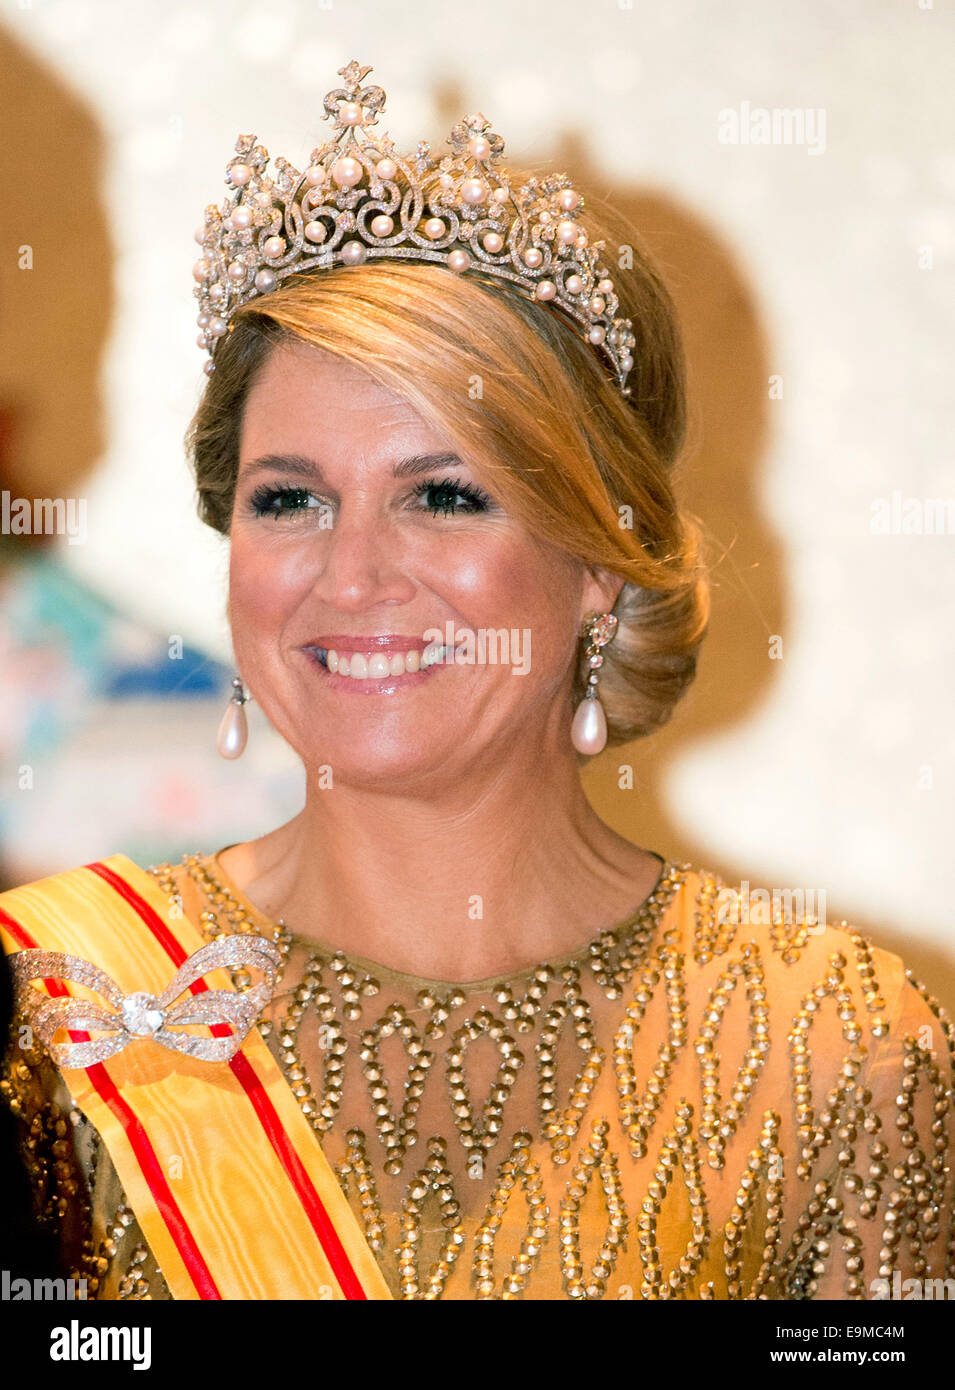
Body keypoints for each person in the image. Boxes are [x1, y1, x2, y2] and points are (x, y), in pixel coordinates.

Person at [1, 58, 951, 1302]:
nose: (350, 576)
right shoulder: (52, 1002)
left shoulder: (833, 1042)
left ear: (599, 562)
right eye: (288, 500)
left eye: (443, 495)